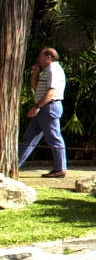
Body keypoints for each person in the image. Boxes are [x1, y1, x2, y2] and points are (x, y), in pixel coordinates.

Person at [18, 47, 68, 178]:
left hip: (48, 107)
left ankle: (60, 168)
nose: (37, 59)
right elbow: (35, 87)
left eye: (40, 56)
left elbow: (51, 92)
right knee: (29, 138)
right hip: (43, 107)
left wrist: (37, 107)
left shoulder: (53, 70)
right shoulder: (47, 71)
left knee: (54, 138)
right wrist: (35, 73)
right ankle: (14, 165)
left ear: (48, 57)